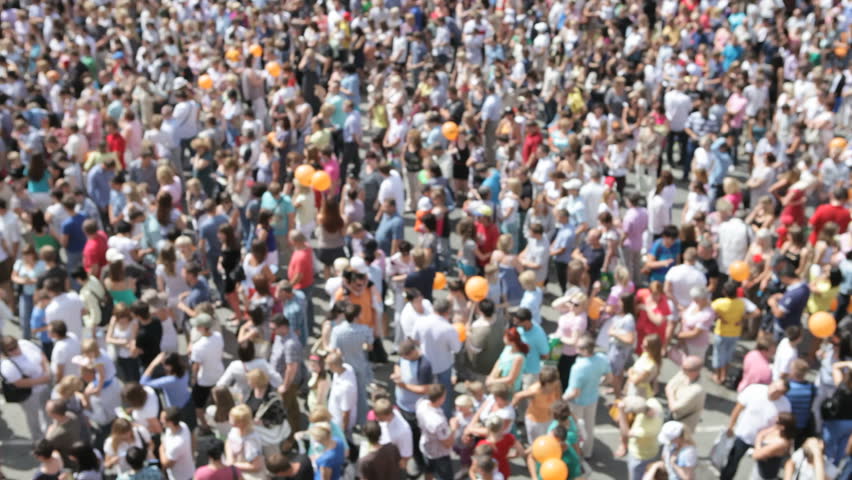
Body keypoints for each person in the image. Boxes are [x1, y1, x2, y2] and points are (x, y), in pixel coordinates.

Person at [722, 380, 792, 480]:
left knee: (761, 471)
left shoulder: (785, 405)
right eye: (774, 386)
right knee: (732, 462)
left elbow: (782, 423)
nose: (773, 390)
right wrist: (731, 426)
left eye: (778, 390)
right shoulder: (754, 390)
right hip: (743, 436)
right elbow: (738, 408)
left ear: (782, 394)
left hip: (764, 441)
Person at [410, 297, 462, 417]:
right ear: (447, 312)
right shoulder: (448, 329)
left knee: (426, 393)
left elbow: (414, 338)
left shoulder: (420, 321)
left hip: (425, 364)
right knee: (445, 394)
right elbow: (457, 349)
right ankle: (446, 417)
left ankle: (427, 415)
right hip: (443, 366)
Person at [563, 335, 611, 459]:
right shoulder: (602, 359)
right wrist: (599, 383)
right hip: (592, 398)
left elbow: (575, 392)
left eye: (578, 347)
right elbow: (609, 377)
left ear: (584, 350)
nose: (575, 348)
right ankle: (587, 452)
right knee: (589, 426)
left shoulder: (578, 368)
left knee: (575, 428)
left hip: (577, 402)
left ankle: (575, 453)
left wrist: (562, 399)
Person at [189, 313, 224, 430]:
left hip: (204, 380)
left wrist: (193, 379)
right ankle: (221, 420)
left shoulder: (198, 346)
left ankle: (204, 425)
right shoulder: (218, 336)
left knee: (198, 406)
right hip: (219, 375)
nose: (196, 328)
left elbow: (196, 366)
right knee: (218, 399)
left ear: (204, 328)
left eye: (198, 326)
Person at [416, 384, 457, 480]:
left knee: (429, 470)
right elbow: (447, 443)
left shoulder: (421, 403)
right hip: (438, 453)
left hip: (425, 446)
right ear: (440, 399)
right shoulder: (438, 421)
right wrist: (454, 427)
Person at [664, 356, 706, 436]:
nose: (682, 370)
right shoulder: (683, 373)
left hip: (682, 427)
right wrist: (671, 393)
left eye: (686, 369)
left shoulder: (697, 390)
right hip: (673, 418)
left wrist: (671, 393)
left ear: (695, 372)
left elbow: (674, 407)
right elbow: (669, 386)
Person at [159, 406, 195, 480]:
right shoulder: (183, 425)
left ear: (170, 422)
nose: (160, 421)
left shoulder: (177, 444)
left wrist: (161, 449)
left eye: (163, 419)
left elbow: (166, 464)